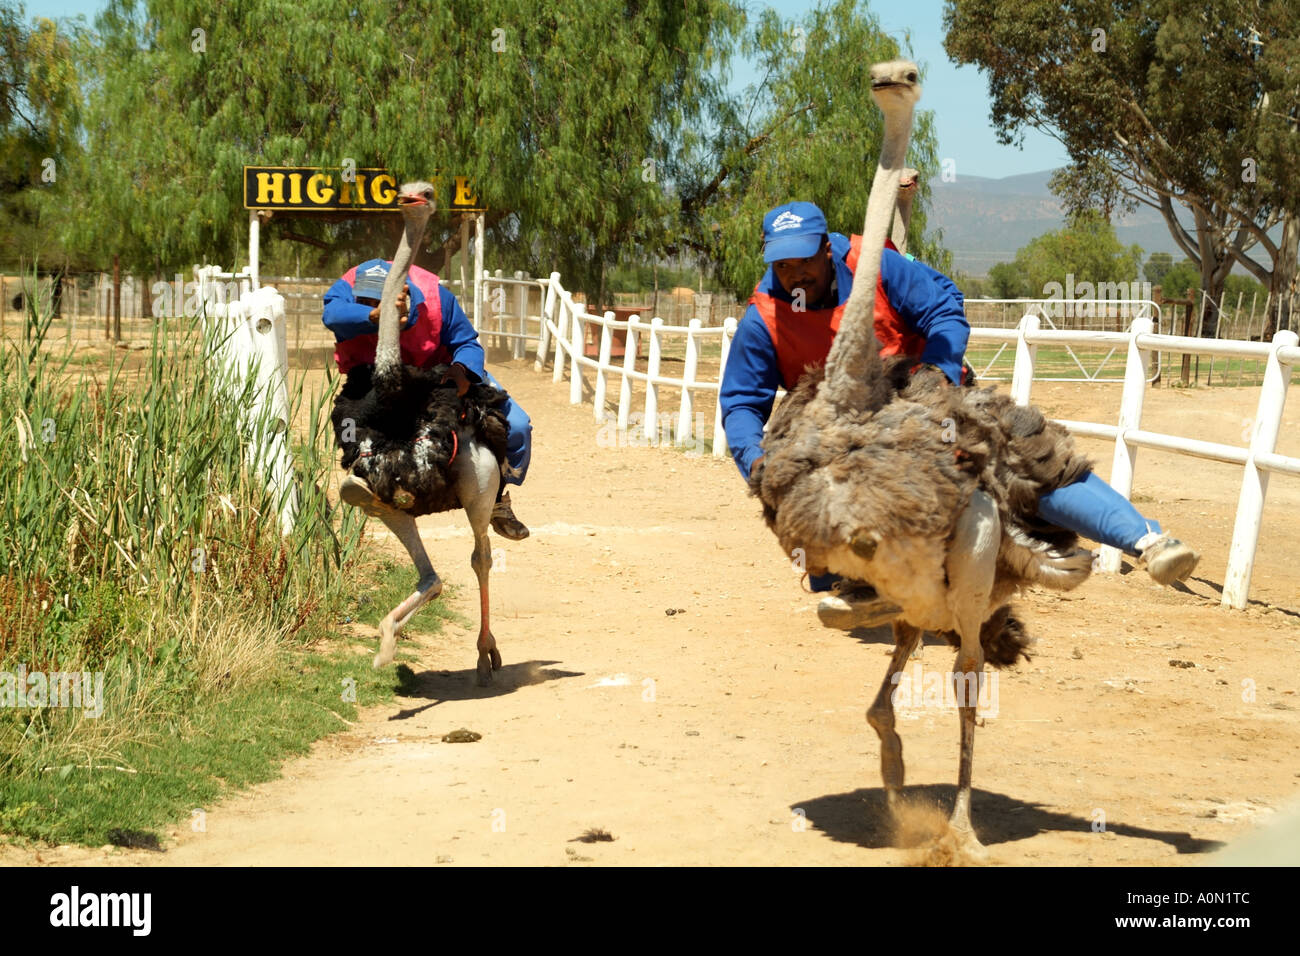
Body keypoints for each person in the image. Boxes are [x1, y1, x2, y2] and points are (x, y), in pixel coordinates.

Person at [719, 201, 1200, 629]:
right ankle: (863, 585)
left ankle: (1146, 541)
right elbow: (742, 400)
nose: (796, 273)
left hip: (918, 391)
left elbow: (943, 307)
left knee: (1016, 454)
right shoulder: (764, 318)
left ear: (826, 249)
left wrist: (938, 375)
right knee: (801, 488)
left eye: (804, 259)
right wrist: (756, 463)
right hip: (839, 427)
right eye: (784, 264)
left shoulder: (874, 267)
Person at [322, 257, 532, 539]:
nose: (373, 306)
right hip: (375, 377)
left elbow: (467, 342)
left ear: (404, 294)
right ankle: (364, 472)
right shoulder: (350, 283)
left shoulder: (437, 299)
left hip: (439, 373)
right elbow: (332, 314)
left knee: (517, 426)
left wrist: (462, 371)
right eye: (366, 300)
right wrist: (372, 316)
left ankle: (496, 498)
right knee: (347, 420)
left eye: (379, 302)